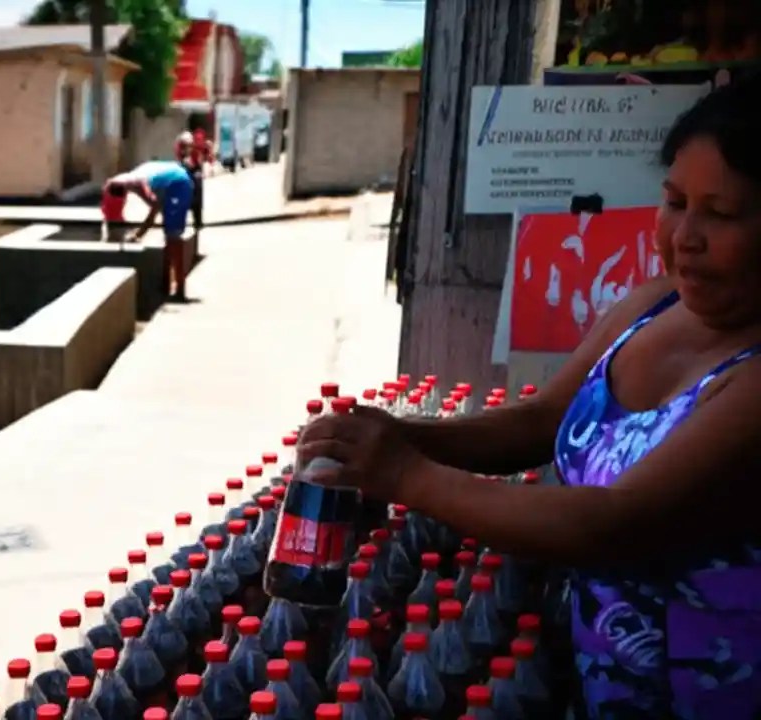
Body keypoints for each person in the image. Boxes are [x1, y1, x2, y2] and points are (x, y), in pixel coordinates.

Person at [298, 77, 761, 718]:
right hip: (591, 676)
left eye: (722, 213)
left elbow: (610, 522)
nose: (684, 235)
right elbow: (544, 420)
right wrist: (400, 436)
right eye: (675, 201)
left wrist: (405, 472)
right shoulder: (653, 304)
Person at [101, 161, 195, 301]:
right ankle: (167, 284)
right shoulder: (129, 177)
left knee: (174, 237)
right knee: (169, 235)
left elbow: (154, 205)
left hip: (178, 184)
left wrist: (139, 233)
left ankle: (180, 291)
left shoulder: (138, 182)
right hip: (172, 181)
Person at [176, 130, 207, 243]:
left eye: (189, 145)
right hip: (185, 177)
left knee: (197, 199)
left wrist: (197, 171)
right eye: (185, 146)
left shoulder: (195, 153)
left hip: (194, 176)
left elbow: (198, 166)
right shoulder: (181, 153)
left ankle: (197, 222)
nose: (187, 148)